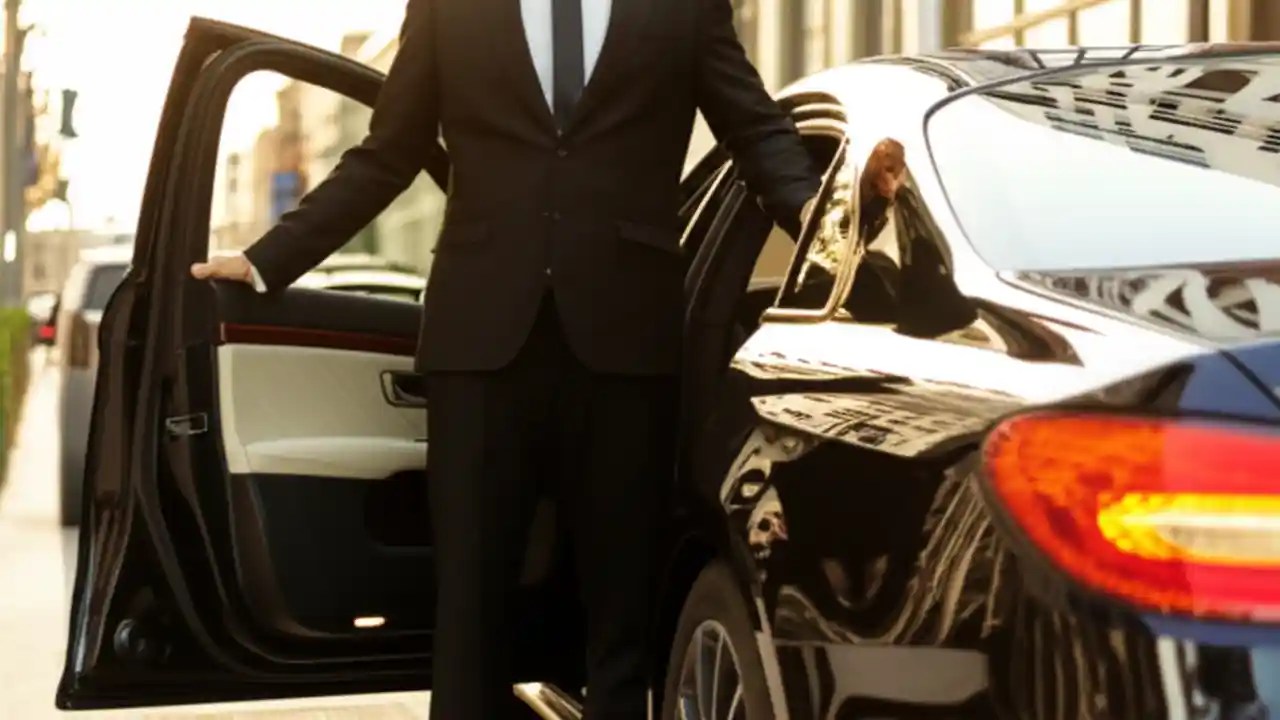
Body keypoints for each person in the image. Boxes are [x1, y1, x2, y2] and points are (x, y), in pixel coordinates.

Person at [191, 0, 821, 716]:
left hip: (626, 345)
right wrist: (269, 259)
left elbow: (755, 126)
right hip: (481, 347)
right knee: (469, 615)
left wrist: (822, 222)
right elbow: (389, 151)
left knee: (621, 620)